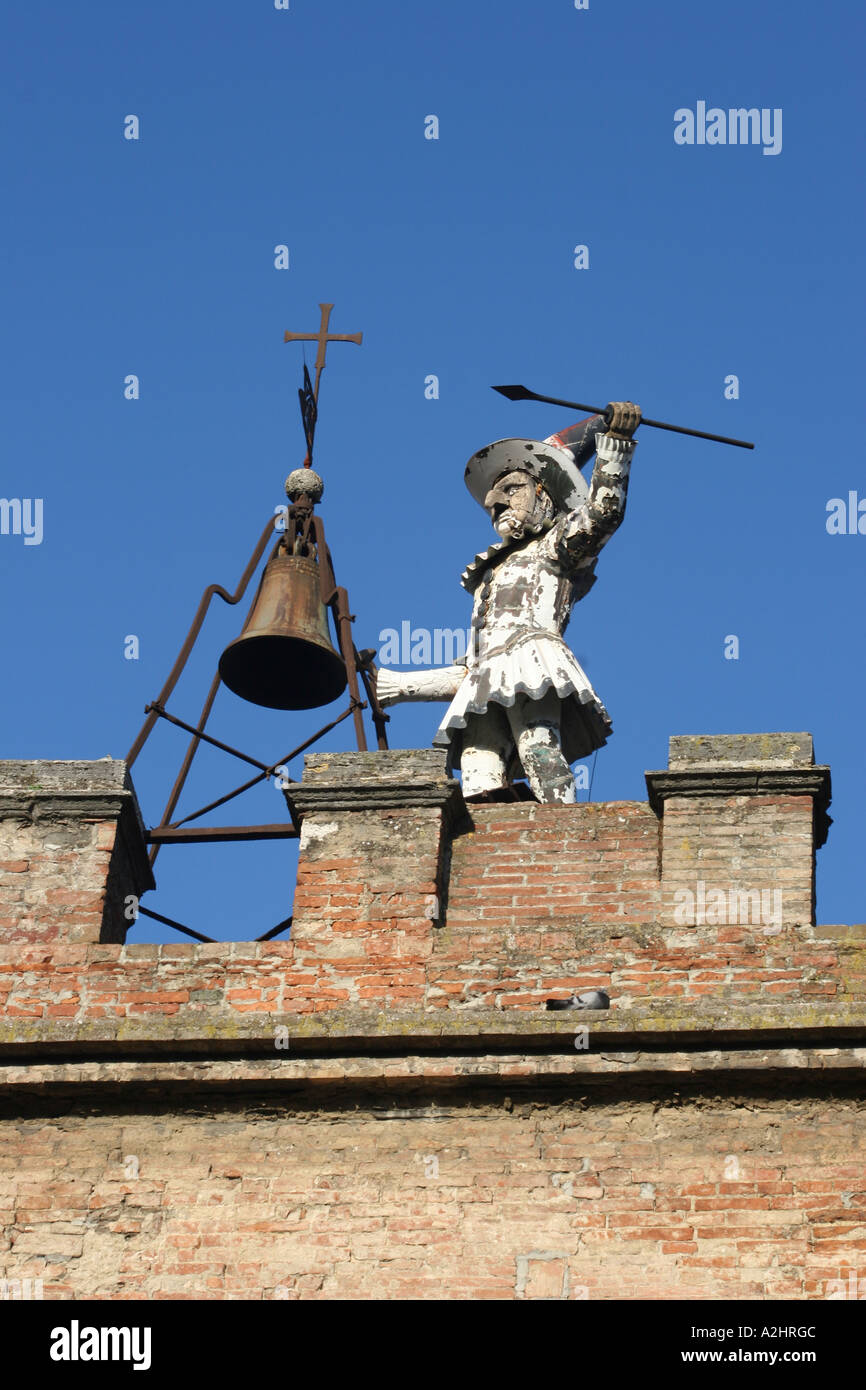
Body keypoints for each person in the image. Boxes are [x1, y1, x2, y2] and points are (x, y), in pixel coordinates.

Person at [377, 401, 641, 803]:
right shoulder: (490, 578)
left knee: (537, 747)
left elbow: (603, 514)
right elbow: (473, 670)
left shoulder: (555, 547)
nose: (493, 502)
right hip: (489, 678)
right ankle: (489, 852)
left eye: (510, 489)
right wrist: (397, 685)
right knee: (475, 763)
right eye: (492, 495)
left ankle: (560, 836)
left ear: (543, 494)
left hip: (534, 658)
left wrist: (614, 445)